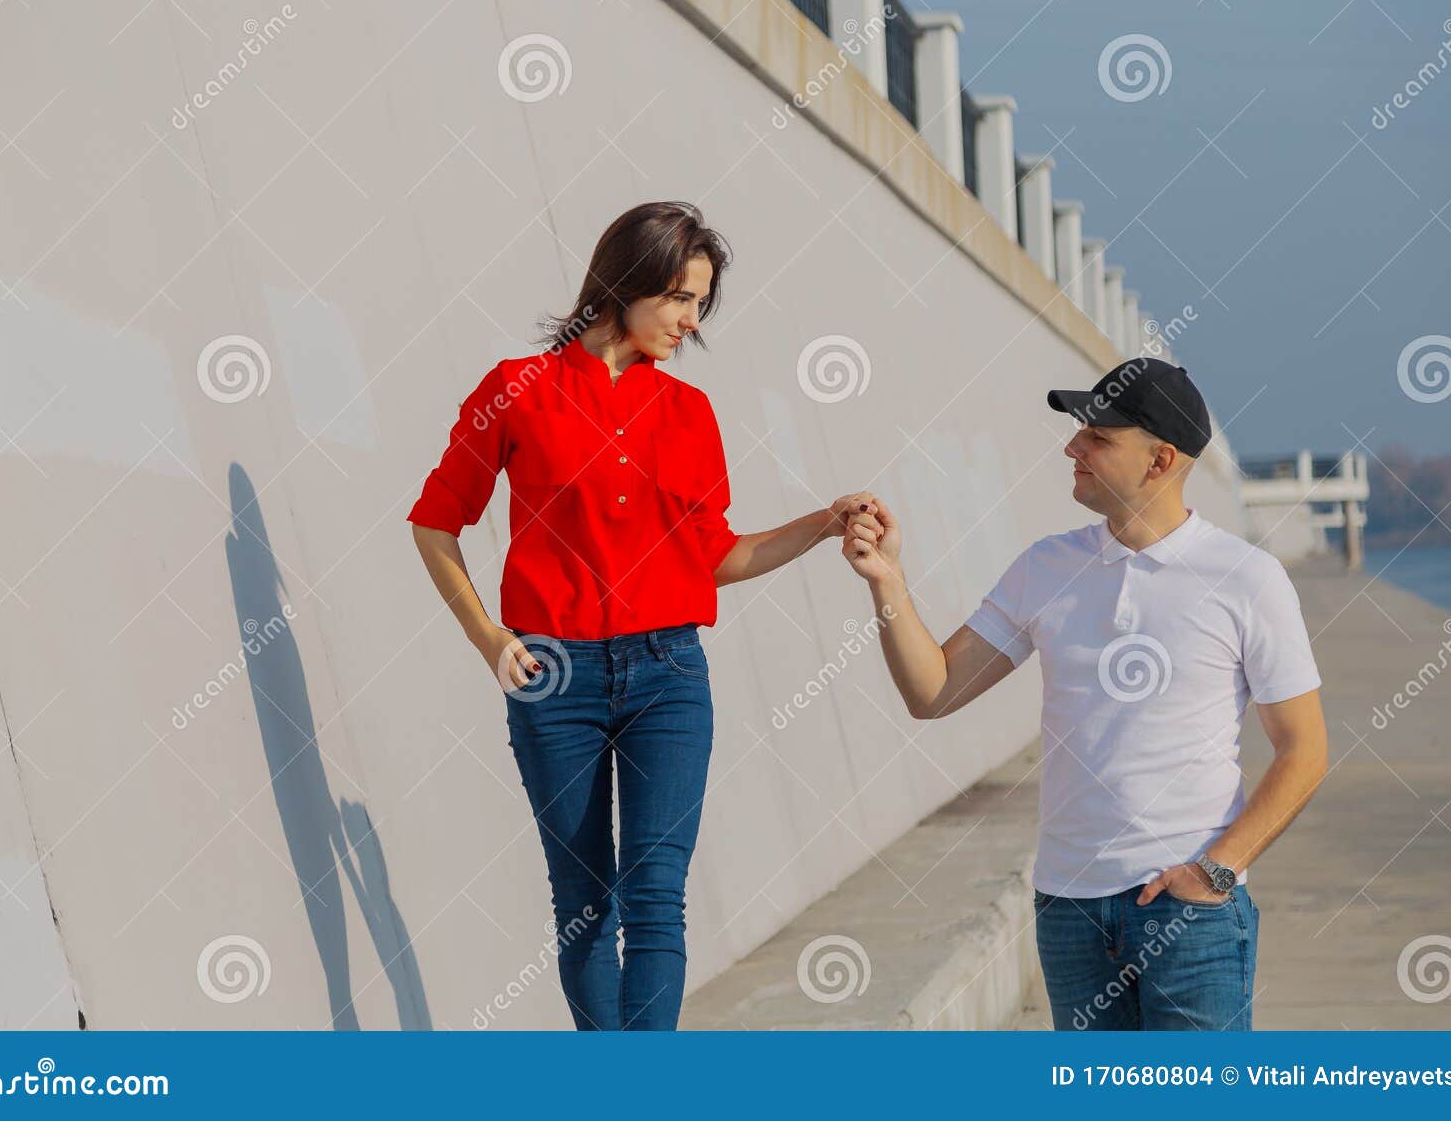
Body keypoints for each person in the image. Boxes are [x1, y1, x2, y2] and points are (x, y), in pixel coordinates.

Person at [408, 201, 875, 1030]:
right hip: (554, 676)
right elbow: (435, 521)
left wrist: (822, 521)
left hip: (667, 674)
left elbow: (717, 557)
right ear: (624, 285)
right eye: (680, 299)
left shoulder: (688, 413)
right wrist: (490, 639)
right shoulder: (517, 390)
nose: (692, 322)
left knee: (657, 894)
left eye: (701, 304)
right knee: (585, 899)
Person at [838, 357, 1328, 1030]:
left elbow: (1304, 750)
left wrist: (1216, 871)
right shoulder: (1046, 566)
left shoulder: (1246, 578)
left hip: (1191, 918)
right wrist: (887, 581)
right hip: (1069, 912)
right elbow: (936, 691)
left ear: (1160, 459)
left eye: (1097, 436)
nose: (1073, 446)